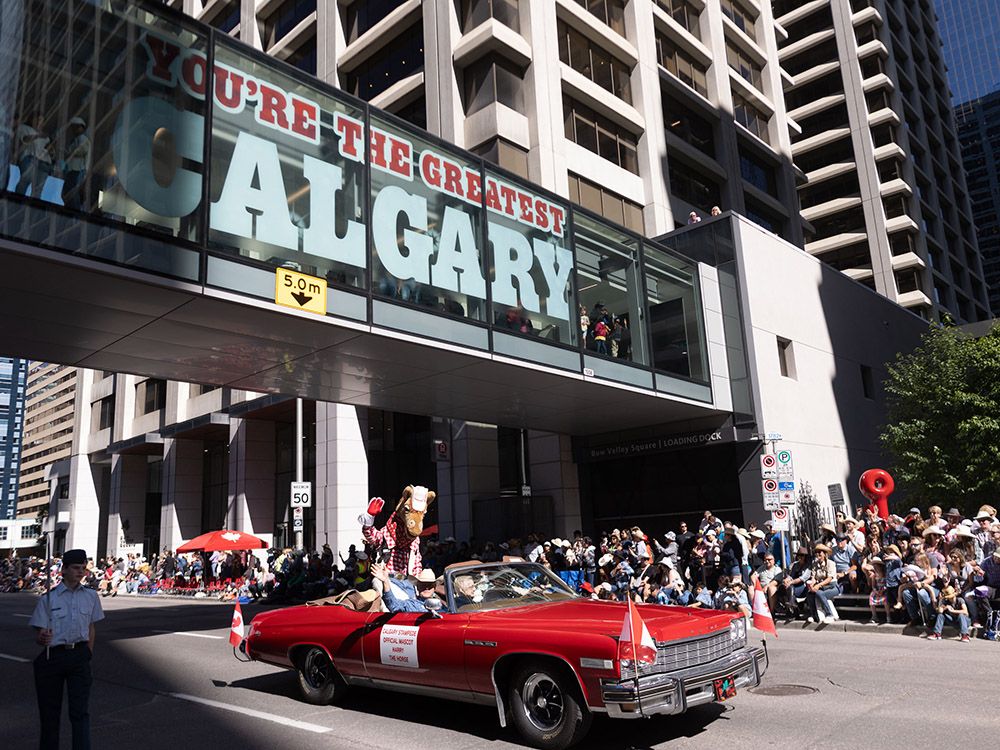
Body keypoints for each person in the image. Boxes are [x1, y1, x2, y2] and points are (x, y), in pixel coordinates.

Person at [29, 549, 104, 750]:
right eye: (75, 568)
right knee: (49, 714)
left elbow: (91, 626)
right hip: (52, 656)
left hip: (79, 656)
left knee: (80, 713)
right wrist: (42, 637)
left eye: (83, 568)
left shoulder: (90, 596)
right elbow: (39, 634)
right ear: (64, 570)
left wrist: (88, 651)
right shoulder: (49, 598)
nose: (80, 572)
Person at [371, 562, 443, 613]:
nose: (427, 588)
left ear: (434, 587)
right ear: (417, 586)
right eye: (423, 584)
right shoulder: (411, 604)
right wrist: (386, 581)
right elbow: (394, 605)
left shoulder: (442, 606)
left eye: (430, 585)